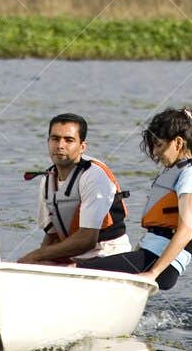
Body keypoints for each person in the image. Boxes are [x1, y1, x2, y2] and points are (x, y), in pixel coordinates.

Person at [78, 105, 192, 291]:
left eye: (159, 145)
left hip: (157, 263)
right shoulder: (183, 171)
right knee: (86, 268)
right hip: (149, 257)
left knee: (77, 272)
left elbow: (185, 232)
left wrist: (153, 273)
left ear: (178, 143)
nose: (156, 153)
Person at [18, 113, 131, 266]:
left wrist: (35, 255)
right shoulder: (47, 179)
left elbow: (87, 240)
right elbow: (52, 237)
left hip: (106, 256)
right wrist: (31, 261)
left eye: (69, 140)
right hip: (75, 257)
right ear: (48, 142)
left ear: (82, 146)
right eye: (55, 139)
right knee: (25, 265)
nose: (60, 145)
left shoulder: (94, 176)